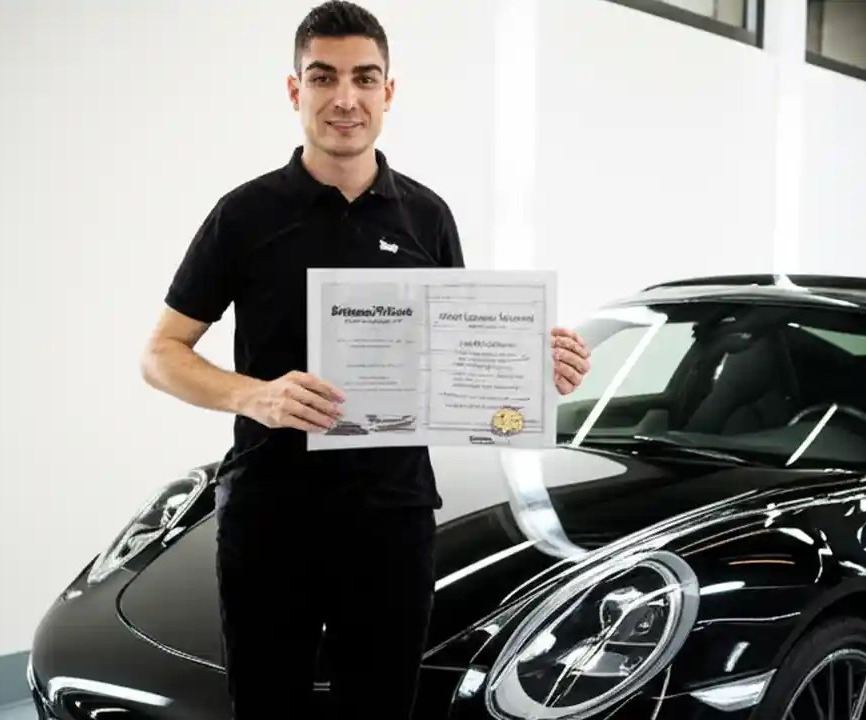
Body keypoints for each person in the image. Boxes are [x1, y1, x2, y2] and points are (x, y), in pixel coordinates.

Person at [139, 2, 592, 718]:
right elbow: (161, 354)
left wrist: (528, 369)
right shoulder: (243, 215)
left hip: (393, 521)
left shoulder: (427, 217)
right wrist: (253, 395)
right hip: (271, 517)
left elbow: (454, 362)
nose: (344, 98)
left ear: (388, 91)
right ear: (296, 91)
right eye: (323, 77)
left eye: (364, 78)